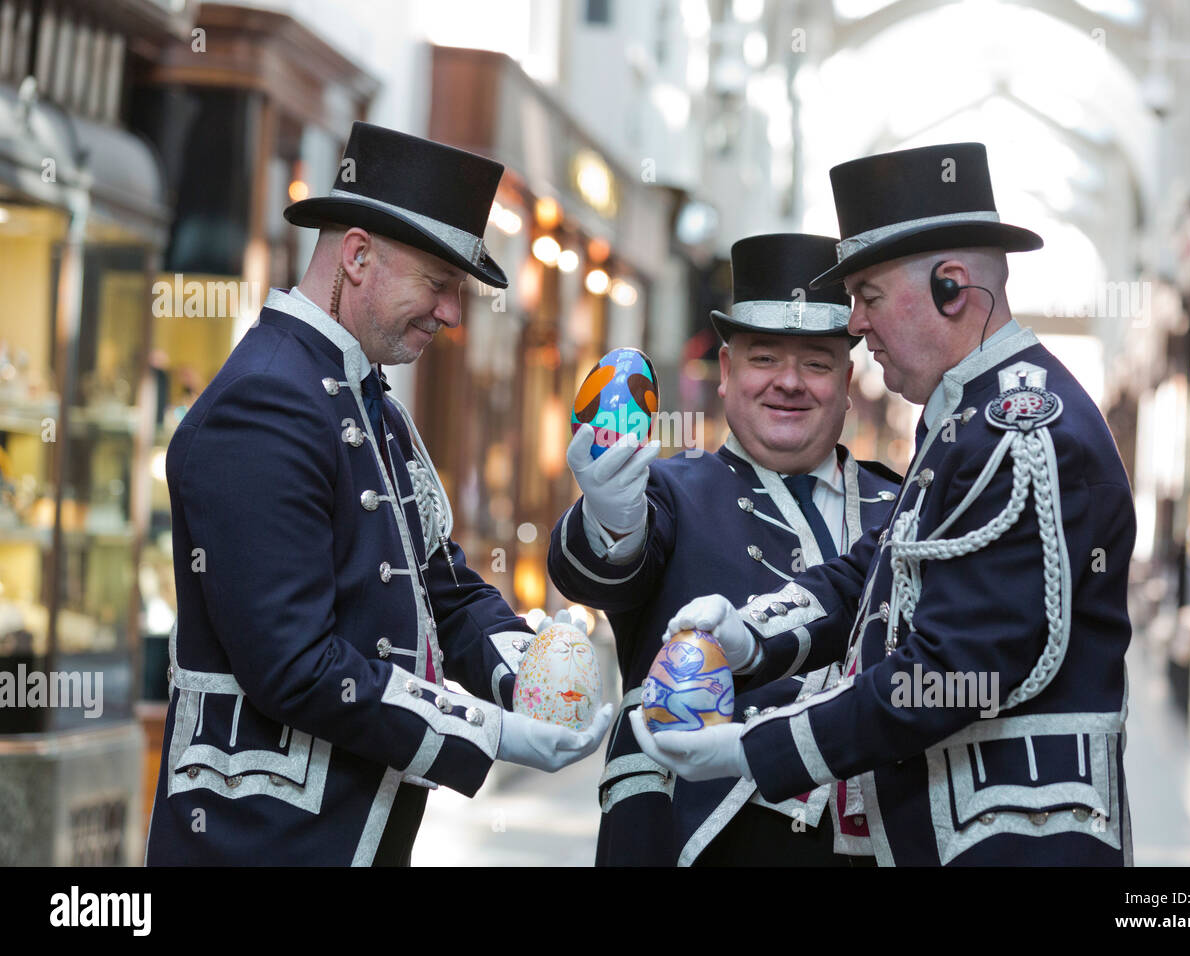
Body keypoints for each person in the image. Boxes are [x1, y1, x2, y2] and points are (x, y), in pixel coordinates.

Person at [633, 143, 1136, 866]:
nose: (857, 327)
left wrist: (754, 744)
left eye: (867, 296)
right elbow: (880, 573)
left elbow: (956, 671)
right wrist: (750, 630)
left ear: (952, 288)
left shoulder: (1023, 431)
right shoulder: (968, 414)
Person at [145, 122, 611, 866]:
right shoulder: (266, 400)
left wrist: (526, 669)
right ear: (357, 255)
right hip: (261, 847)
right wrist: (485, 732)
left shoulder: (366, 399)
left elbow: (441, 589)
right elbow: (294, 665)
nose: (453, 314)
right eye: (438, 283)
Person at [548, 234, 901, 865]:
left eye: (817, 364)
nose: (789, 383)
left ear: (847, 382)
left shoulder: (899, 502)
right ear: (729, 371)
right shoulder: (668, 491)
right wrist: (612, 517)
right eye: (764, 359)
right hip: (699, 838)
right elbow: (602, 576)